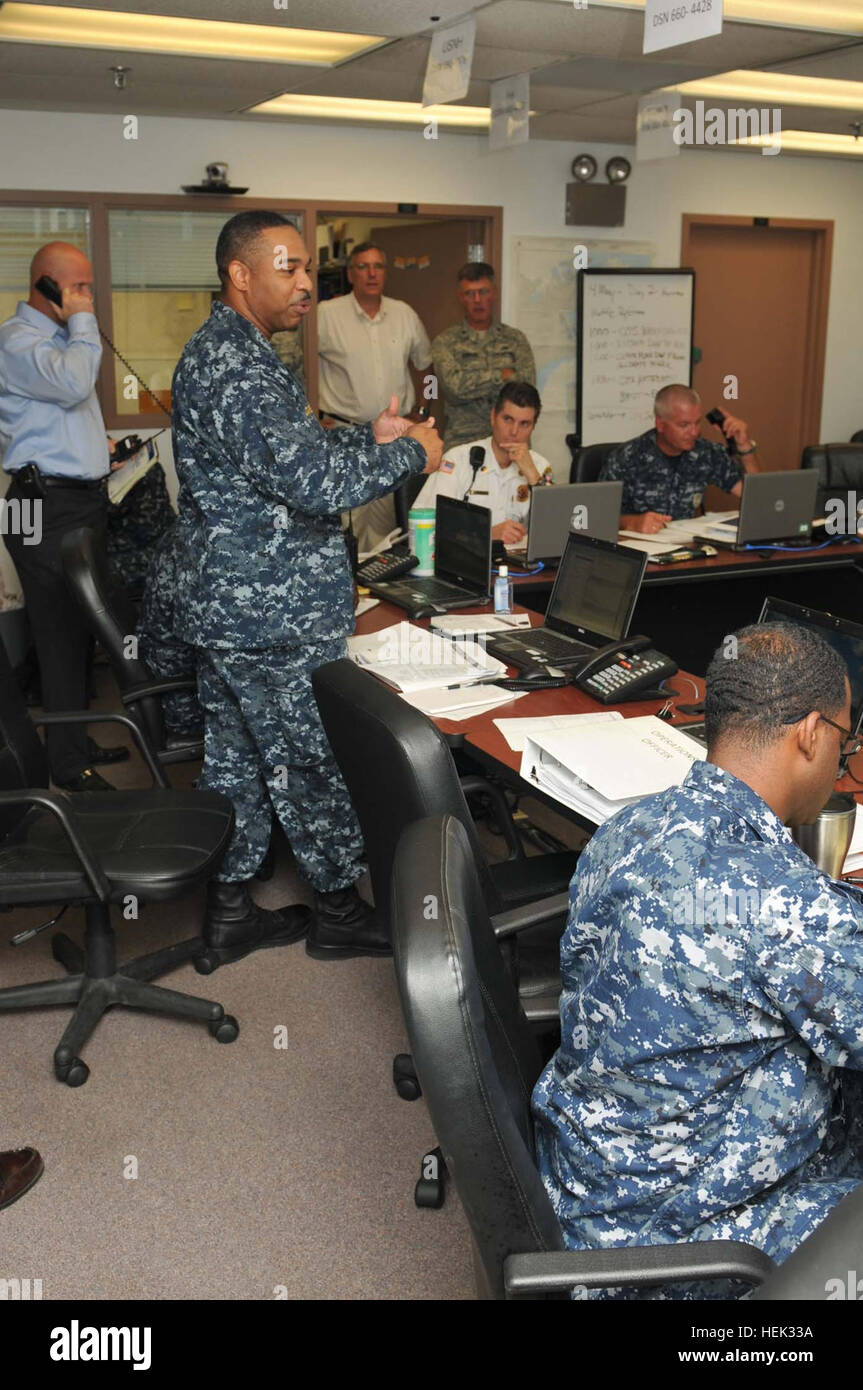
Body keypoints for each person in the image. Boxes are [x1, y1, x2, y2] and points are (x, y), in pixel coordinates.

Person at [533, 621, 863, 1297]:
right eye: (844, 740)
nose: (841, 763)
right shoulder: (782, 904)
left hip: (590, 1193)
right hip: (683, 1249)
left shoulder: (630, 825)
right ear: (808, 733)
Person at [171, 210, 442, 966]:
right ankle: (336, 909)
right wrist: (408, 453)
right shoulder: (233, 364)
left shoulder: (241, 353)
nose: (302, 283)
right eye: (287, 268)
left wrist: (369, 438)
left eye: (303, 270)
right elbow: (313, 484)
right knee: (311, 759)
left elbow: (289, 458)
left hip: (239, 606)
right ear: (240, 274)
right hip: (269, 613)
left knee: (238, 760)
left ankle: (228, 909)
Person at [0, 241, 126, 791]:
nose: (87, 299)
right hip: (36, 502)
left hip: (68, 498)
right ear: (46, 285)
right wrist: (81, 322)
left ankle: (72, 741)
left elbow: (60, 414)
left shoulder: (56, 341)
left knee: (77, 630)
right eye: (78, 288)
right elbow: (74, 383)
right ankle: (67, 766)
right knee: (55, 627)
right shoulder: (17, 341)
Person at [317, 242, 432, 552]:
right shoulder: (326, 315)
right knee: (343, 533)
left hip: (392, 442)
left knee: (384, 536)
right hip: (343, 439)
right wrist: (310, 416)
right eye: (363, 267)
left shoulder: (404, 313)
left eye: (378, 266)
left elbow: (427, 368)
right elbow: (298, 367)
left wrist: (424, 407)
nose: (371, 273)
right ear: (350, 274)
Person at [599, 383, 762, 535]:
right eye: (684, 425)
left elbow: (756, 497)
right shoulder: (627, 457)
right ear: (661, 425)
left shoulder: (706, 452)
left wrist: (744, 447)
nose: (694, 432)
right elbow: (598, 516)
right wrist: (633, 522)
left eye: (697, 423)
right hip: (642, 551)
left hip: (688, 548)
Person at [414, 381, 552, 545]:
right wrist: (486, 534)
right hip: (468, 562)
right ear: (493, 417)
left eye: (524, 424)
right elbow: (423, 528)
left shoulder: (540, 466)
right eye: (508, 419)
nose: (514, 432)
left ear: (533, 427)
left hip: (521, 566)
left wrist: (534, 478)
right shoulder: (457, 459)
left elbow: (555, 533)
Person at [431, 262, 536, 451]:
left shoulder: (515, 339)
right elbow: (455, 389)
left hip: (511, 441)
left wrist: (472, 381)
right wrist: (502, 375)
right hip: (463, 443)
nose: (477, 300)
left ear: (494, 293)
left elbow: (526, 390)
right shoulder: (444, 342)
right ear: (460, 297)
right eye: (470, 294)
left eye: (483, 292)